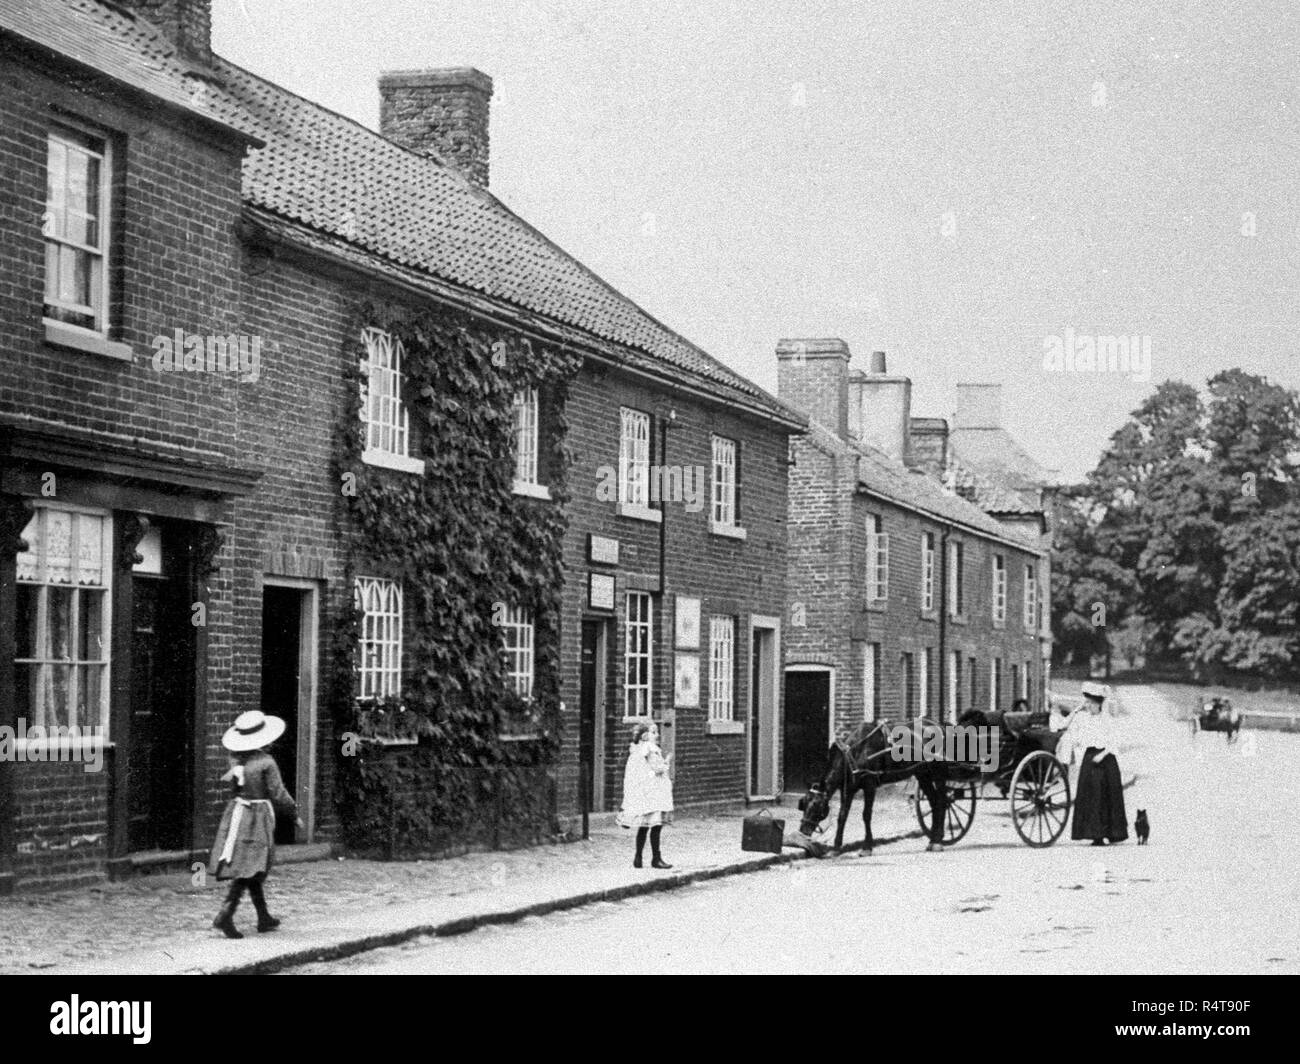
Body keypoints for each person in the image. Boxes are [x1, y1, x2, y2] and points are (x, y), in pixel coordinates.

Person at [209, 710, 302, 938]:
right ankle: (226, 913)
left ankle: (263, 916)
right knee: (251, 865)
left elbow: (234, 788)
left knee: (252, 864)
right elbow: (278, 793)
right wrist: (294, 814)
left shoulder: (235, 759)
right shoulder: (266, 762)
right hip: (257, 816)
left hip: (237, 812)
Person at [1059, 681, 1127, 845]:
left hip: (1105, 760)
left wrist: (1103, 754)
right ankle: (1094, 834)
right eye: (1086, 703)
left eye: (1090, 703)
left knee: (1103, 797)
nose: (1088, 706)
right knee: (1090, 797)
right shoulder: (1083, 718)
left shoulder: (1106, 720)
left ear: (1098, 704)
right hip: (1089, 759)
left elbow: (1114, 741)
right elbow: (1064, 725)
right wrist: (1076, 710)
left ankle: (1109, 833)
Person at [617, 722, 674, 869]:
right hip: (654, 793)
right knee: (656, 826)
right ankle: (656, 858)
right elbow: (658, 768)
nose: (657, 735)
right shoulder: (650, 749)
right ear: (645, 736)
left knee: (644, 827)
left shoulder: (637, 751)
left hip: (646, 793)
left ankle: (638, 857)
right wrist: (667, 761)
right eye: (654, 732)